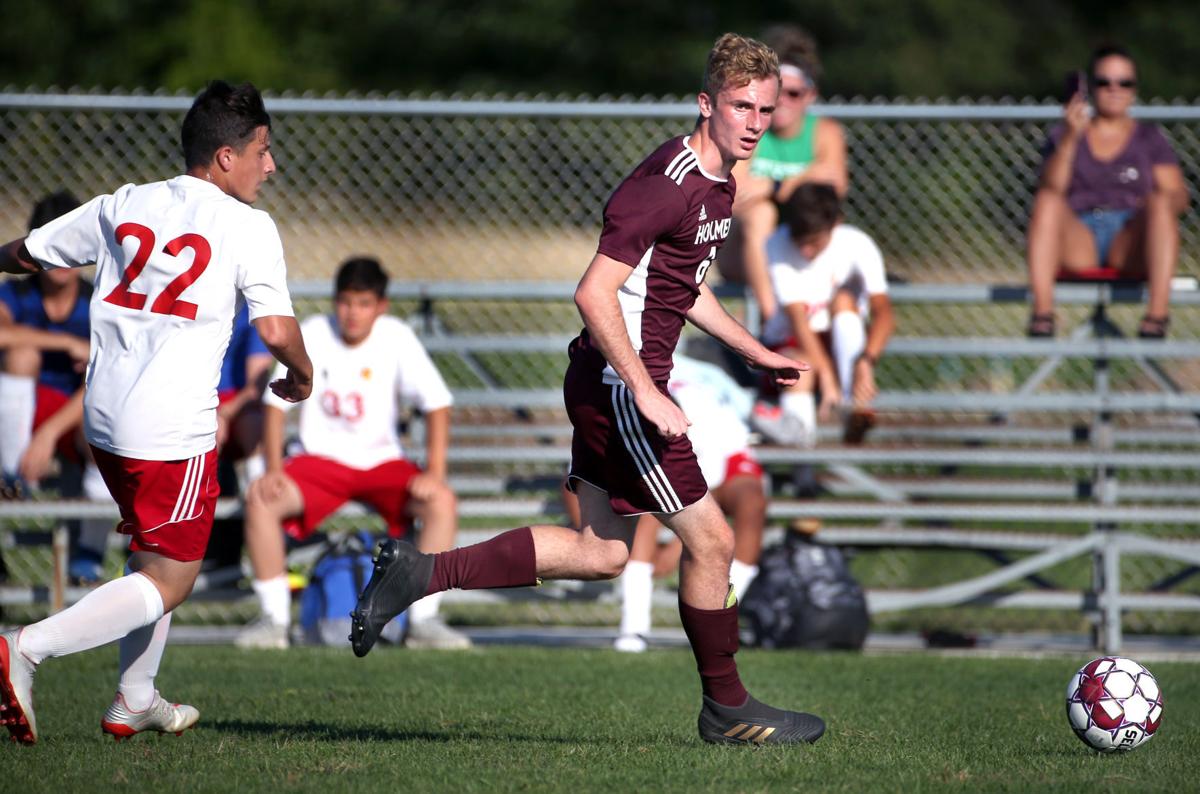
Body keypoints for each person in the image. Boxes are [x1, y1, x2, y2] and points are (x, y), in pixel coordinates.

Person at [350, 33, 826, 746]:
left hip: (608, 382)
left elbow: (682, 290)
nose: (754, 120)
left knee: (602, 551)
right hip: (618, 384)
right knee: (713, 540)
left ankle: (417, 572)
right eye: (739, 106)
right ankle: (728, 708)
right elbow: (593, 291)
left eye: (764, 107)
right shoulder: (664, 184)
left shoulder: (723, 178)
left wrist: (757, 350)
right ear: (707, 104)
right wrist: (646, 391)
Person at [0, 80, 313, 745]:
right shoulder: (247, 224)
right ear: (225, 158)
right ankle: (23, 648)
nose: (271, 164)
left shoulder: (126, 202)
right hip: (170, 430)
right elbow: (280, 333)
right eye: (263, 148)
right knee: (170, 578)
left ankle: (135, 697)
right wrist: (304, 376)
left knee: (151, 552)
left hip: (105, 423)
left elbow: (27, 254)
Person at [235, 256, 471, 651]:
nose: (352, 313)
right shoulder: (312, 332)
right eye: (345, 302)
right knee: (261, 499)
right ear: (334, 302)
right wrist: (274, 469)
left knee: (441, 502)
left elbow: (437, 403)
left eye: (363, 303)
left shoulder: (395, 336)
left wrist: (436, 471)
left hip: (382, 464)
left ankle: (424, 622)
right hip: (319, 464)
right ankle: (274, 620)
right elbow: (275, 405)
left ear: (381, 306)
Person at [1026, 43, 1189, 338]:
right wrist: (1070, 139)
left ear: (1134, 89)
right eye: (1105, 82)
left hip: (1128, 240)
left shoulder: (1149, 138)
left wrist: (1159, 203)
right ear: (1090, 88)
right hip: (1080, 238)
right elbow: (1052, 187)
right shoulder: (1065, 133)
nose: (1115, 90)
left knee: (1161, 201)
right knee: (1047, 201)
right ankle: (1043, 313)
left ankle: (1157, 314)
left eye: (1124, 83)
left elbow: (1179, 195)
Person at [608, 354, 767, 653]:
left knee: (751, 505)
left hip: (717, 457)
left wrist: (679, 545)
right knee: (641, 516)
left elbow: (711, 473)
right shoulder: (611, 370)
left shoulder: (704, 372)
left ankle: (720, 622)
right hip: (653, 457)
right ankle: (634, 627)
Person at [0, 192, 116, 583]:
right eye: (53, 244)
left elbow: (109, 371)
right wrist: (66, 344)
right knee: (22, 355)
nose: (62, 258)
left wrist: (49, 434)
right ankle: (14, 476)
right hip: (18, 415)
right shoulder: (16, 292)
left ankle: (89, 554)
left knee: (104, 415)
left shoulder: (98, 298)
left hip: (74, 416)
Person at [719, 24, 848, 325]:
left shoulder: (825, 132)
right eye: (778, 92)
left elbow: (834, 186)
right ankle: (772, 320)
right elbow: (734, 196)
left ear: (810, 95)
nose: (784, 102)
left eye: (794, 93)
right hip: (743, 251)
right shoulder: (751, 127)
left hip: (798, 246)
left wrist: (775, 184)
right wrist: (796, 181)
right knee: (759, 214)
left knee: (826, 222)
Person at [760, 183, 894, 446]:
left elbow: (884, 313)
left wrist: (866, 361)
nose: (805, 252)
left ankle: (851, 404)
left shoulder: (857, 244)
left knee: (845, 301)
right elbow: (797, 320)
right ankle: (804, 471)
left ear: (836, 223)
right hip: (791, 344)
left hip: (841, 348)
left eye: (813, 242)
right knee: (799, 369)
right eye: (800, 243)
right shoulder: (777, 242)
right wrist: (825, 375)